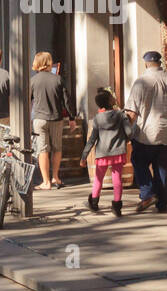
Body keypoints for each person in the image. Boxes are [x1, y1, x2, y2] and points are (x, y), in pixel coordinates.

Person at [124, 51, 167, 213]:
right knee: (163, 168)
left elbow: (132, 113)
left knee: (139, 161)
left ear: (146, 63)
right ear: (160, 62)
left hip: (146, 133)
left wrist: (125, 131)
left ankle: (148, 193)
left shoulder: (141, 82)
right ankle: (162, 203)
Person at [79, 89, 131, 217]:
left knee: (98, 178)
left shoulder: (97, 118)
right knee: (117, 178)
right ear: (110, 101)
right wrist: (124, 139)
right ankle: (117, 207)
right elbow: (129, 133)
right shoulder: (121, 115)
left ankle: (94, 202)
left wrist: (84, 157)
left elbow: (92, 139)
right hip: (118, 152)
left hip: (102, 153)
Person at [30, 52, 70, 190]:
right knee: (57, 148)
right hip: (56, 118)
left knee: (43, 150)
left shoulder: (33, 81)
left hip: (39, 119)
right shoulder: (58, 79)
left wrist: (29, 118)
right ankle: (56, 177)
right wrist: (71, 118)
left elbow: (28, 101)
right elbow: (66, 100)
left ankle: (46, 182)